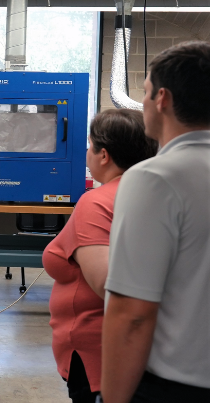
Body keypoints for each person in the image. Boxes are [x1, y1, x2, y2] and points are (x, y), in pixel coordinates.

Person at [101, 41, 210, 403]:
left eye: (144, 93)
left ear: (162, 99)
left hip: (177, 386)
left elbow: (132, 314)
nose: (142, 103)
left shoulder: (155, 178)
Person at [43, 109, 157, 403]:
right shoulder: (154, 193)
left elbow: (108, 284)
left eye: (89, 145)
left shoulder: (95, 203)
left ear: (103, 155)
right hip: (142, 350)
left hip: (98, 354)